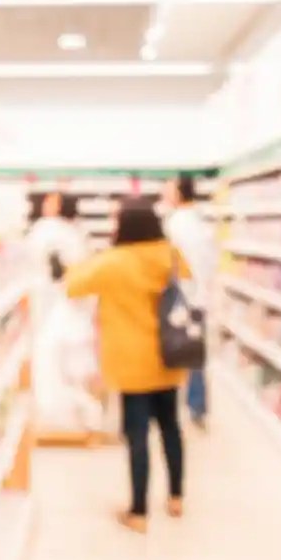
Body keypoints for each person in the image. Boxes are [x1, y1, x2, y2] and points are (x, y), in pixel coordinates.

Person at [64, 202, 190, 534]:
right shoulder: (171, 254)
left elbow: (73, 285)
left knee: (137, 436)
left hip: (132, 361)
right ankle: (176, 497)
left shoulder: (113, 262)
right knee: (171, 428)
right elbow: (189, 282)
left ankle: (138, 511)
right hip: (170, 353)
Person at [25, 192, 104, 436]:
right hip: (73, 305)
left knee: (50, 363)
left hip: (52, 305)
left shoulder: (45, 230)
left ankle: (67, 417)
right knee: (70, 367)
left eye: (50, 201)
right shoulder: (76, 233)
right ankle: (82, 417)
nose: (44, 205)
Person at [161, 174, 216, 429]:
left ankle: (175, 403)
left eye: (169, 189)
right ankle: (197, 407)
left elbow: (171, 260)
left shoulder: (177, 223)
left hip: (181, 294)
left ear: (180, 193)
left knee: (174, 348)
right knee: (194, 351)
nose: (165, 193)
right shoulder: (200, 220)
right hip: (198, 295)